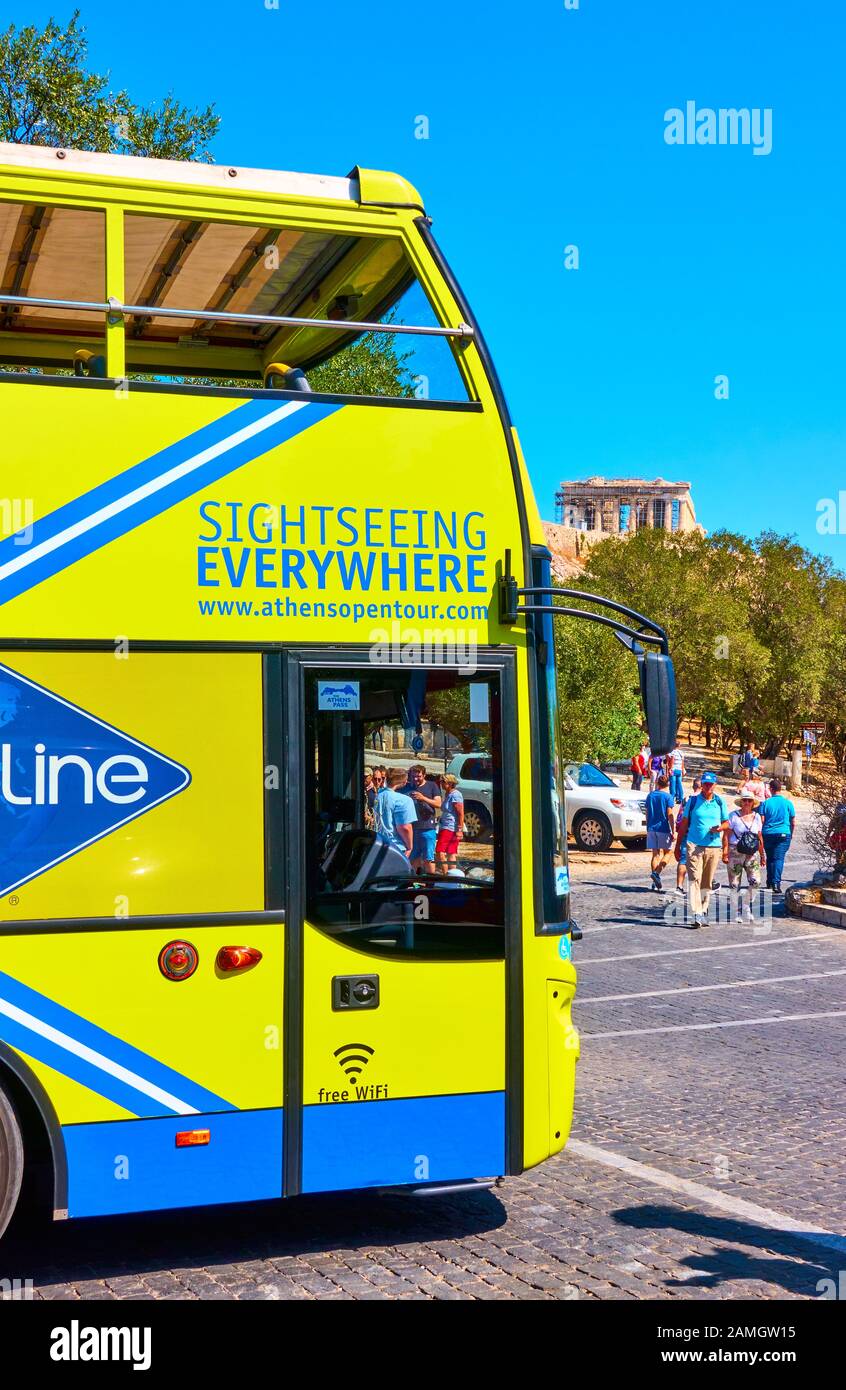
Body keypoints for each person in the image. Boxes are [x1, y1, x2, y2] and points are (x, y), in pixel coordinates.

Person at [676, 772, 730, 928]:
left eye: (710, 784)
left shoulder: (720, 802)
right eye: (705, 784)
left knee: (707, 881)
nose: (707, 787)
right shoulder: (692, 802)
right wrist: (678, 846)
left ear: (715, 785)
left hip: (713, 847)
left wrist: (719, 828)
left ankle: (703, 910)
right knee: (694, 879)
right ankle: (697, 913)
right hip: (694, 846)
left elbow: (727, 824)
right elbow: (684, 825)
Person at [724, 790, 765, 923]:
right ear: (741, 802)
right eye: (745, 800)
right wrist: (724, 852)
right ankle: (736, 911)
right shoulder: (733, 816)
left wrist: (762, 854)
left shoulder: (757, 817)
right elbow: (726, 835)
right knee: (734, 884)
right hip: (735, 851)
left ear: (753, 803)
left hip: (751, 854)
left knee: (756, 881)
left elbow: (759, 836)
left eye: (749, 800)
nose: (747, 802)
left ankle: (746, 904)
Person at [400, 763, 442, 874]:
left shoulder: (432, 785)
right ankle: (412, 883)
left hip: (427, 827)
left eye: (418, 776)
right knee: (413, 859)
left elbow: (438, 803)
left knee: (428, 859)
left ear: (424, 775)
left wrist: (423, 798)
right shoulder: (406, 787)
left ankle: (430, 884)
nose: (415, 779)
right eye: (413, 776)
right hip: (411, 829)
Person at [760, 778, 795, 895]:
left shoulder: (765, 803)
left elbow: (762, 820)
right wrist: (791, 833)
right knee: (779, 858)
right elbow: (793, 821)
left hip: (768, 833)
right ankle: (776, 883)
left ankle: (769, 881)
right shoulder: (788, 803)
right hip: (783, 833)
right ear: (780, 789)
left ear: (770, 789)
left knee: (770, 857)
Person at [374, 767, 417, 858]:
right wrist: (410, 847)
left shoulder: (378, 796)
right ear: (404, 781)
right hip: (395, 847)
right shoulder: (404, 800)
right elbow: (404, 827)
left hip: (377, 843)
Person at [645, 774, 676, 891]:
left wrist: (648, 827)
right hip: (663, 828)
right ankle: (657, 874)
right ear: (668, 784)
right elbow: (670, 815)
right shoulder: (668, 797)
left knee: (655, 854)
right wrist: (674, 830)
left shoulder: (650, 795)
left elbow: (647, 813)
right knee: (668, 852)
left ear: (657, 783)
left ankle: (655, 879)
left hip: (651, 828)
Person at [675, 775, 702, 894]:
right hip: (699, 834)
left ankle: (679, 886)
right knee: (700, 860)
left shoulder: (686, 799)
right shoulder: (703, 800)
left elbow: (680, 816)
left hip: (686, 832)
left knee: (683, 860)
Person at [436, 773, 465, 873]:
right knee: (450, 852)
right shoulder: (448, 794)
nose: (441, 784)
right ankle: (452, 874)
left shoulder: (455, 795)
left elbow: (460, 813)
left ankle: (446, 873)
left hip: (450, 827)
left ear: (450, 783)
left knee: (440, 851)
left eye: (443, 782)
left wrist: (459, 830)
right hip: (445, 824)